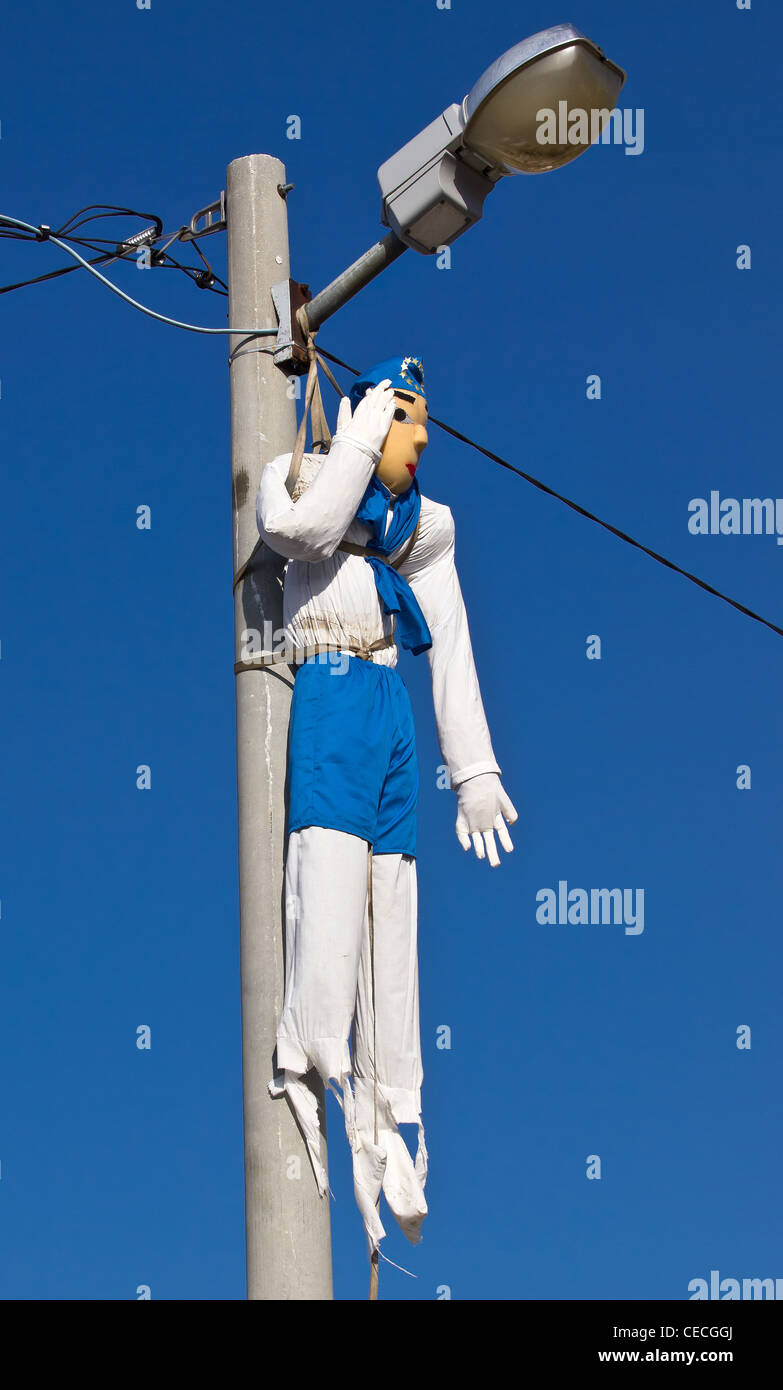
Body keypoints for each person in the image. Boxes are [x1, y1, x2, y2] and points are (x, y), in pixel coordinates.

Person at [254, 354, 518, 1262]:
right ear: (373, 416)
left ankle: (390, 1111)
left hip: (387, 706)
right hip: (329, 691)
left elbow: (447, 639)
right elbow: (300, 529)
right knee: (325, 872)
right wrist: (364, 428)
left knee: (391, 893)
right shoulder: (304, 482)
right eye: (411, 419)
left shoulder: (420, 528)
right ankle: (317, 1053)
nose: (425, 437)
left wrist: (473, 767)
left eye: (419, 421)